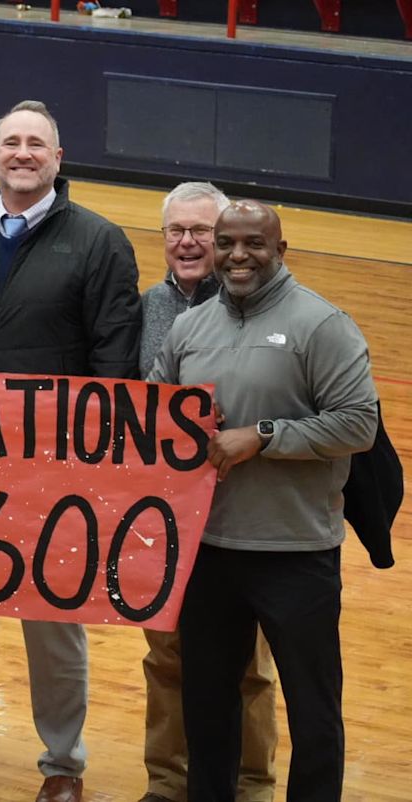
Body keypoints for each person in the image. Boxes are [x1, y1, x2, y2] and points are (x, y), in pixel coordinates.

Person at [0, 100, 142, 802]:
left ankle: (63, 763)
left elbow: (115, 360)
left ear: (58, 160)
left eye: (37, 144)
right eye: (11, 142)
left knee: (54, 622)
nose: (23, 153)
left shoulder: (100, 241)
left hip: (55, 469)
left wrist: (96, 461)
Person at [151, 200, 377, 802]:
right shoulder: (189, 327)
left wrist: (265, 436)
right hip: (210, 550)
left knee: (313, 708)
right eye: (227, 243)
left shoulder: (321, 325)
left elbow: (358, 426)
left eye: (254, 243)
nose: (238, 255)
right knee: (207, 703)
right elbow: (154, 413)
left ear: (281, 249)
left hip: (295, 551)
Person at [137, 183, 278, 802]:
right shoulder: (145, 308)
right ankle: (168, 781)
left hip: (248, 517)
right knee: (167, 655)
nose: (189, 243)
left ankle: (249, 786)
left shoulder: (266, 307)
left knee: (247, 667)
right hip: (165, 519)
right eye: (177, 231)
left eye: (202, 231)